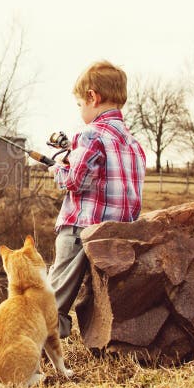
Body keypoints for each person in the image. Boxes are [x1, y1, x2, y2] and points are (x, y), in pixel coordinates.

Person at [47, 60, 146, 338]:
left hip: (81, 230)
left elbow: (75, 182)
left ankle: (37, 350)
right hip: (118, 234)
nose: (80, 112)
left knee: (51, 302)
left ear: (93, 97)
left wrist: (58, 169)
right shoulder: (133, 143)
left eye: (80, 104)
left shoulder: (90, 134)